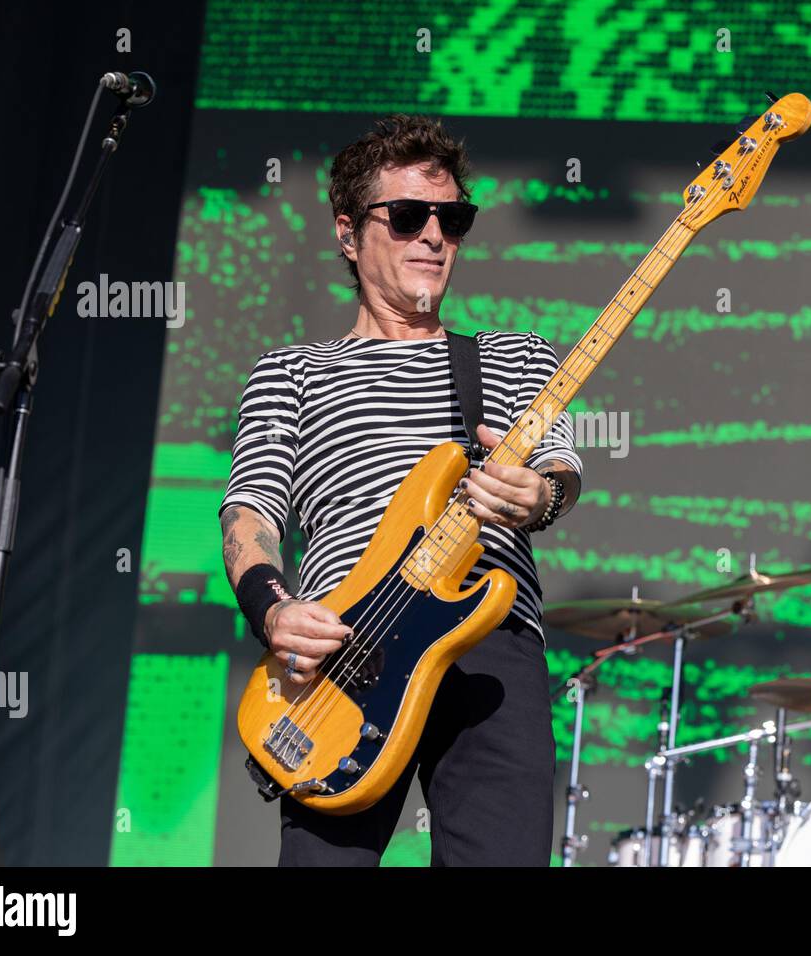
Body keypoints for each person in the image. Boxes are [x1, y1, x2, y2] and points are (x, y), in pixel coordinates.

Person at [218, 114, 582, 866]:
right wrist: (272, 609)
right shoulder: (291, 371)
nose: (433, 236)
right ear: (348, 233)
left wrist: (536, 497)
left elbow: (557, 470)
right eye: (409, 215)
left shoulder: (512, 356)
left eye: (453, 219)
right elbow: (252, 510)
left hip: (486, 640)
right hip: (343, 657)